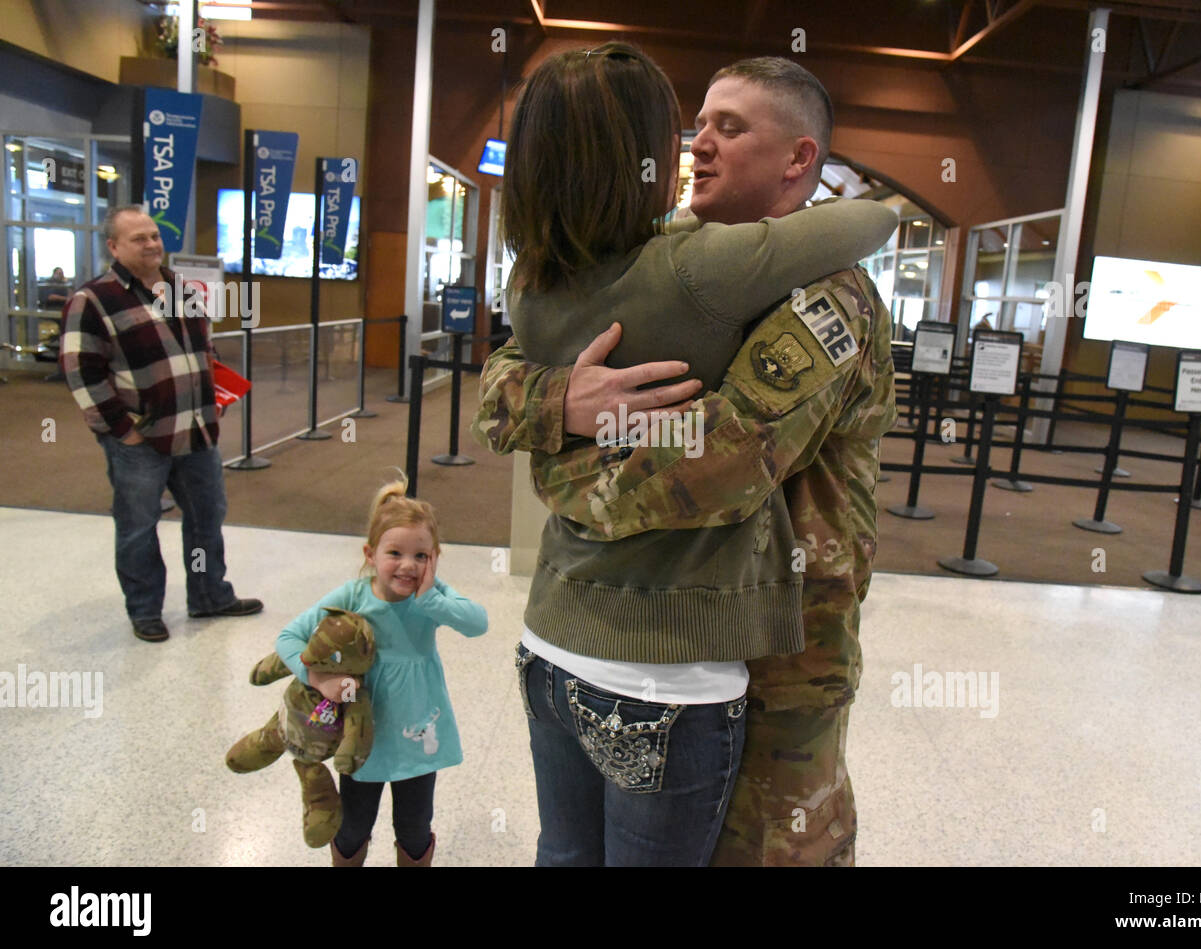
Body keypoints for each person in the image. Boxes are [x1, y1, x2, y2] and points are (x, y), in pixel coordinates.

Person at [472, 44, 895, 867]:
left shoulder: (827, 295)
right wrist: (562, 400)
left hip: (781, 656)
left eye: (728, 129)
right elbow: (502, 375)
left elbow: (715, 464)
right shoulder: (658, 251)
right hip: (664, 653)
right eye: (696, 124)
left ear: (797, 158)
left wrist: (557, 462)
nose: (697, 143)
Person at [60, 205, 262, 642]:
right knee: (138, 527)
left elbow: (203, 348)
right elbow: (82, 373)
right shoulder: (92, 301)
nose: (152, 244)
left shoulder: (180, 287)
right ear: (114, 246)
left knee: (206, 518)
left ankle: (209, 595)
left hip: (195, 431)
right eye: (139, 238)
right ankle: (145, 610)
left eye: (154, 235)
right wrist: (122, 429)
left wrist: (214, 394)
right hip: (139, 440)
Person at [274, 476, 488, 866]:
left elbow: (478, 623)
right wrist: (319, 679)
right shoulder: (352, 596)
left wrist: (431, 599)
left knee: (414, 826)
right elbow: (289, 638)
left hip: (419, 735)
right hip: (361, 740)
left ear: (435, 557)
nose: (408, 565)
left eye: (421, 556)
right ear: (370, 554)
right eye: (395, 553)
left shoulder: (434, 596)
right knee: (353, 824)